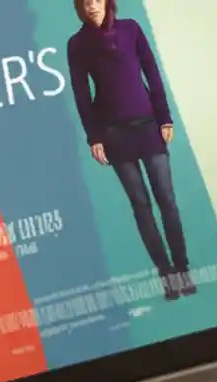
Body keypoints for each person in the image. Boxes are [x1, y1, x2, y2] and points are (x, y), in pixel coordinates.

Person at [67, 0, 196, 301]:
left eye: (96, 0)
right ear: (80, 8)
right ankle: (166, 276)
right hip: (114, 134)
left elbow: (152, 73)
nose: (92, 6)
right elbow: (81, 93)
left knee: (167, 199)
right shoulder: (77, 44)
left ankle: (183, 270)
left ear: (107, 2)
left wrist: (164, 116)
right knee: (140, 205)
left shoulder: (131, 29)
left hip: (149, 125)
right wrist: (93, 137)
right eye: (86, 3)